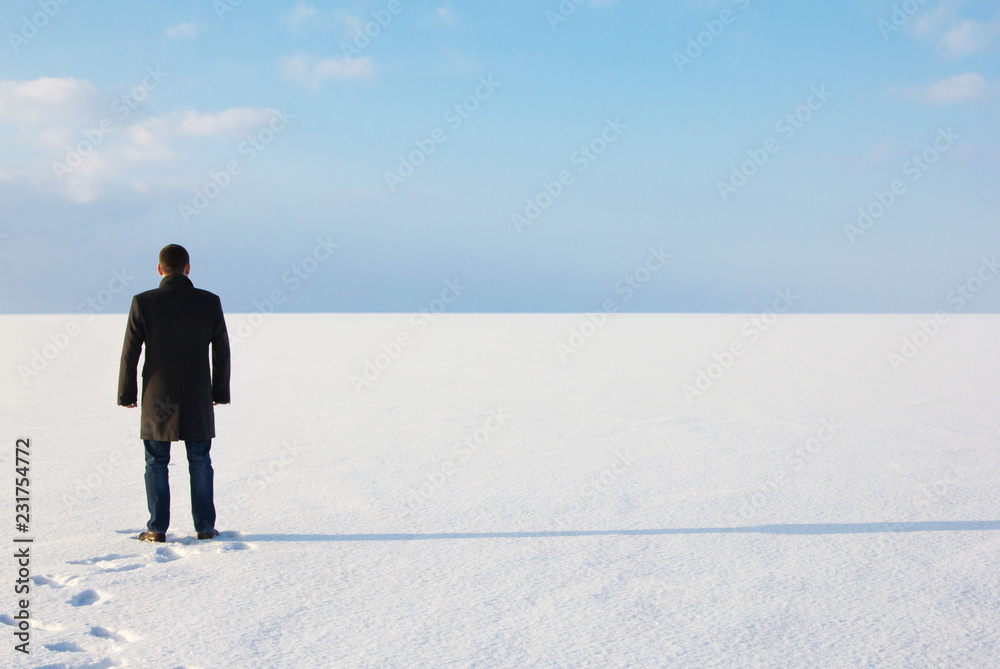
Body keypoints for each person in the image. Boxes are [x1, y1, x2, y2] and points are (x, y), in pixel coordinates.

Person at [117, 244, 231, 543]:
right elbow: (221, 350)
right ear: (188, 268)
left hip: (158, 396)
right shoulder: (209, 302)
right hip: (197, 395)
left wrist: (127, 393)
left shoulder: (143, 302)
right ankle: (205, 528)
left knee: (156, 463)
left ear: (160, 269)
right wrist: (219, 391)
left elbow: (130, 352)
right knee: (200, 461)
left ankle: (156, 528)